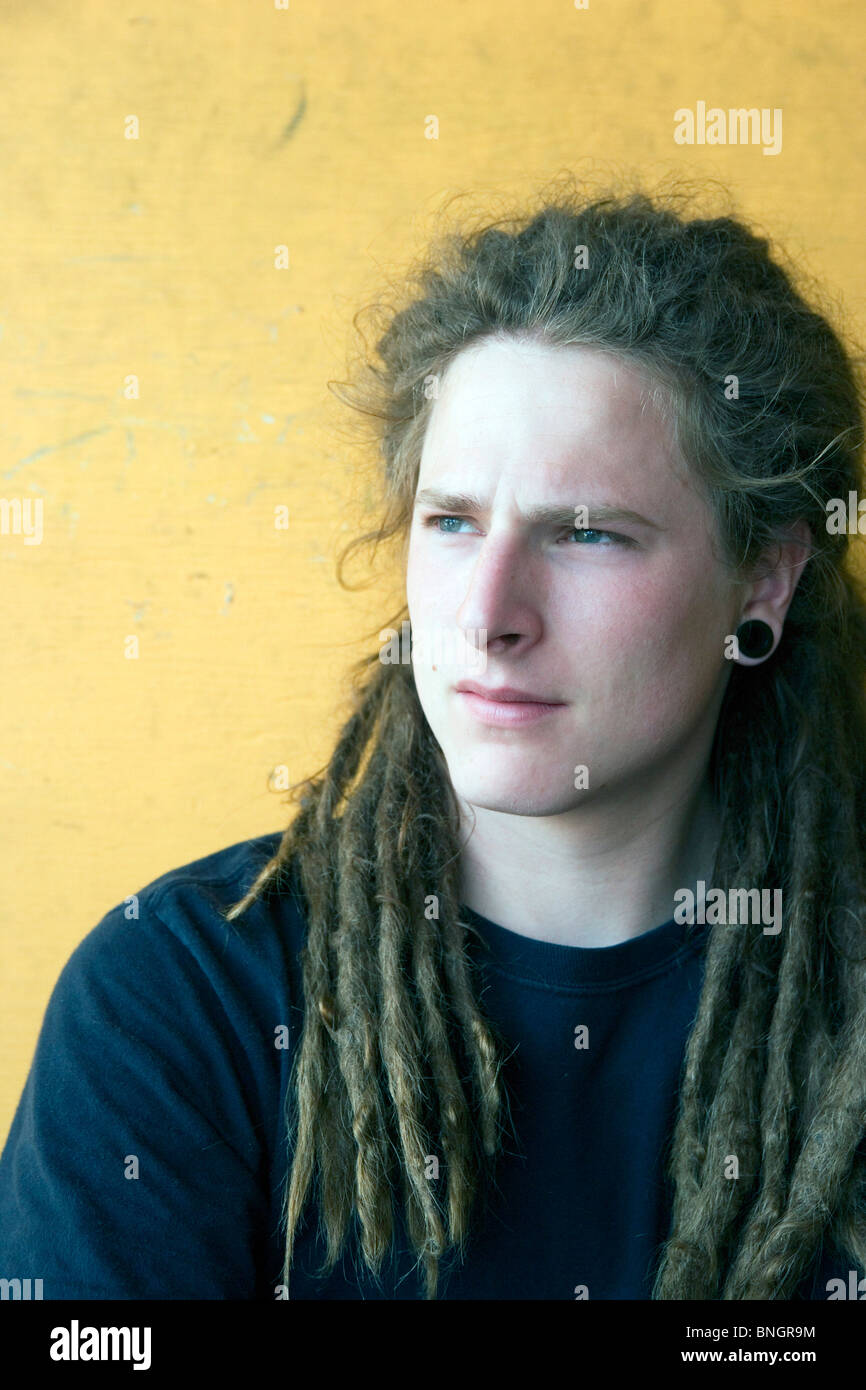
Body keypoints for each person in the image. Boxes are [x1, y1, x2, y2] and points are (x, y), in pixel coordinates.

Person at [2, 179, 865, 1301]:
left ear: (764, 576)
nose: (487, 613)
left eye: (587, 532)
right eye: (451, 520)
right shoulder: (180, 994)